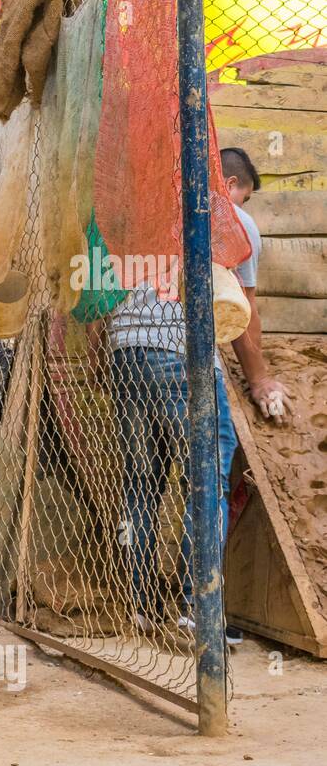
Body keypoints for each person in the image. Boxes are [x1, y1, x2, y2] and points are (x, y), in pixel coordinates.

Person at [107, 146, 285, 646]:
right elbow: (242, 314)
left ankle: (140, 607)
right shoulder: (230, 220)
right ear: (228, 184)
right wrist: (260, 379)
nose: (242, 207)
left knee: (143, 481)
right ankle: (195, 607)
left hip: (125, 350)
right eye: (242, 196)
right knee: (209, 469)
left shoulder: (146, 208)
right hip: (178, 355)